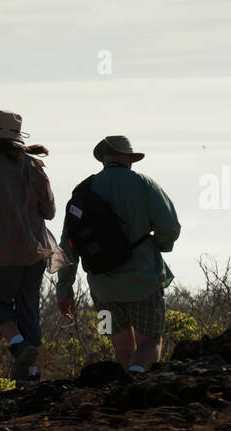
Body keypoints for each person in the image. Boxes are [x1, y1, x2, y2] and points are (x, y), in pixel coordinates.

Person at [56, 135, 181, 372]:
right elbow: (170, 228)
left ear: (103, 158)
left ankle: (121, 394)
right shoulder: (144, 184)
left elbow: (67, 247)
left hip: (101, 290)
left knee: (120, 350)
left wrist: (64, 290)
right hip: (144, 281)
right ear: (128, 158)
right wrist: (158, 245)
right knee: (150, 343)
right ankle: (134, 391)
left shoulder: (82, 190)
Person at [0, 110, 58, 381]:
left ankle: (19, 346)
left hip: (4, 253)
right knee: (28, 308)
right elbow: (49, 211)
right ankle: (31, 373)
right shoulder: (35, 166)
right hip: (36, 252)